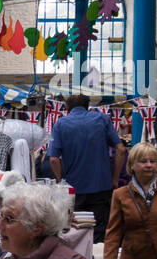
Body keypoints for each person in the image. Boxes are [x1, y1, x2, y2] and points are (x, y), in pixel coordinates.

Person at [48, 94, 125, 242]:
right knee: (99, 234)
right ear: (87, 105)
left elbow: (53, 159)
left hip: (74, 190)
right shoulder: (102, 119)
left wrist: (61, 180)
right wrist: (114, 179)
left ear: (67, 108)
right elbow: (121, 149)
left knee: (75, 233)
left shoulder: (60, 124)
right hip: (101, 186)